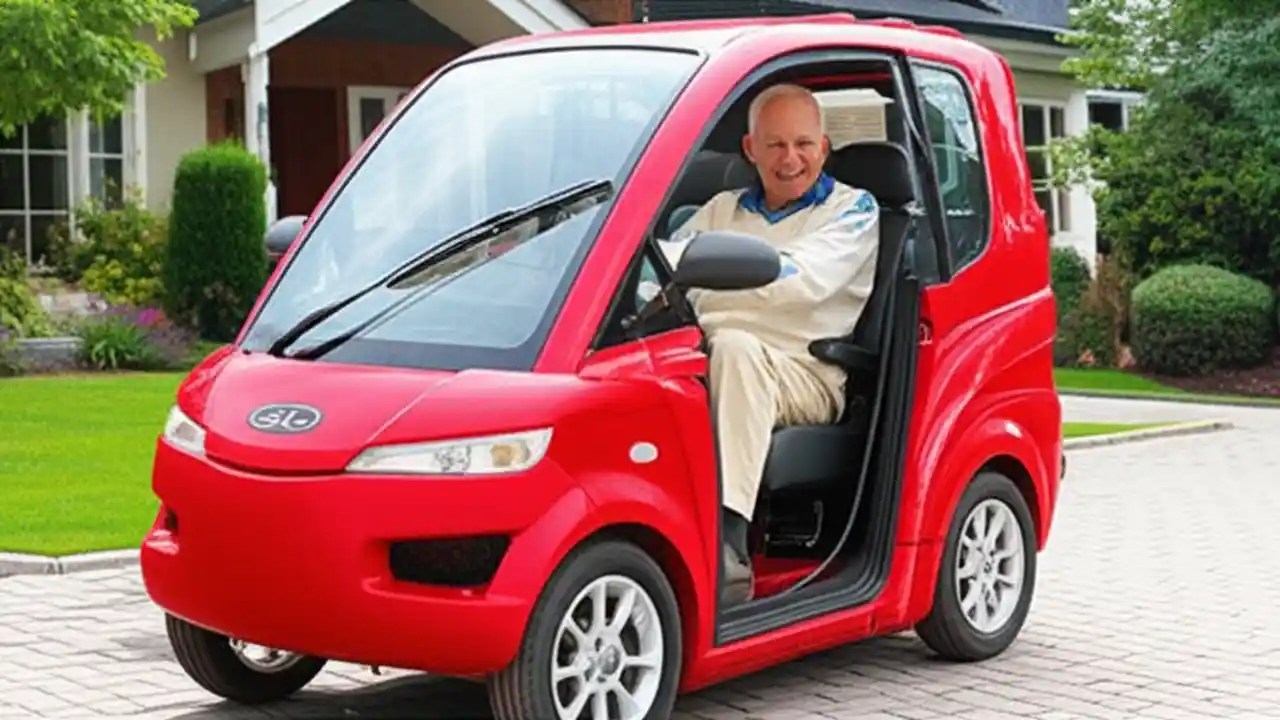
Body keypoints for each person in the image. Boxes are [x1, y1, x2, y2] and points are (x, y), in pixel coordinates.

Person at [659, 83, 881, 605]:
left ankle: (728, 543)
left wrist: (707, 277)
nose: (791, 159)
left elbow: (800, 280)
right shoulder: (720, 208)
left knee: (735, 345)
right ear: (749, 149)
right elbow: (660, 268)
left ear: (824, 148)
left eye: (804, 144)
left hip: (806, 372)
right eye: (776, 145)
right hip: (705, 355)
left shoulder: (854, 210)